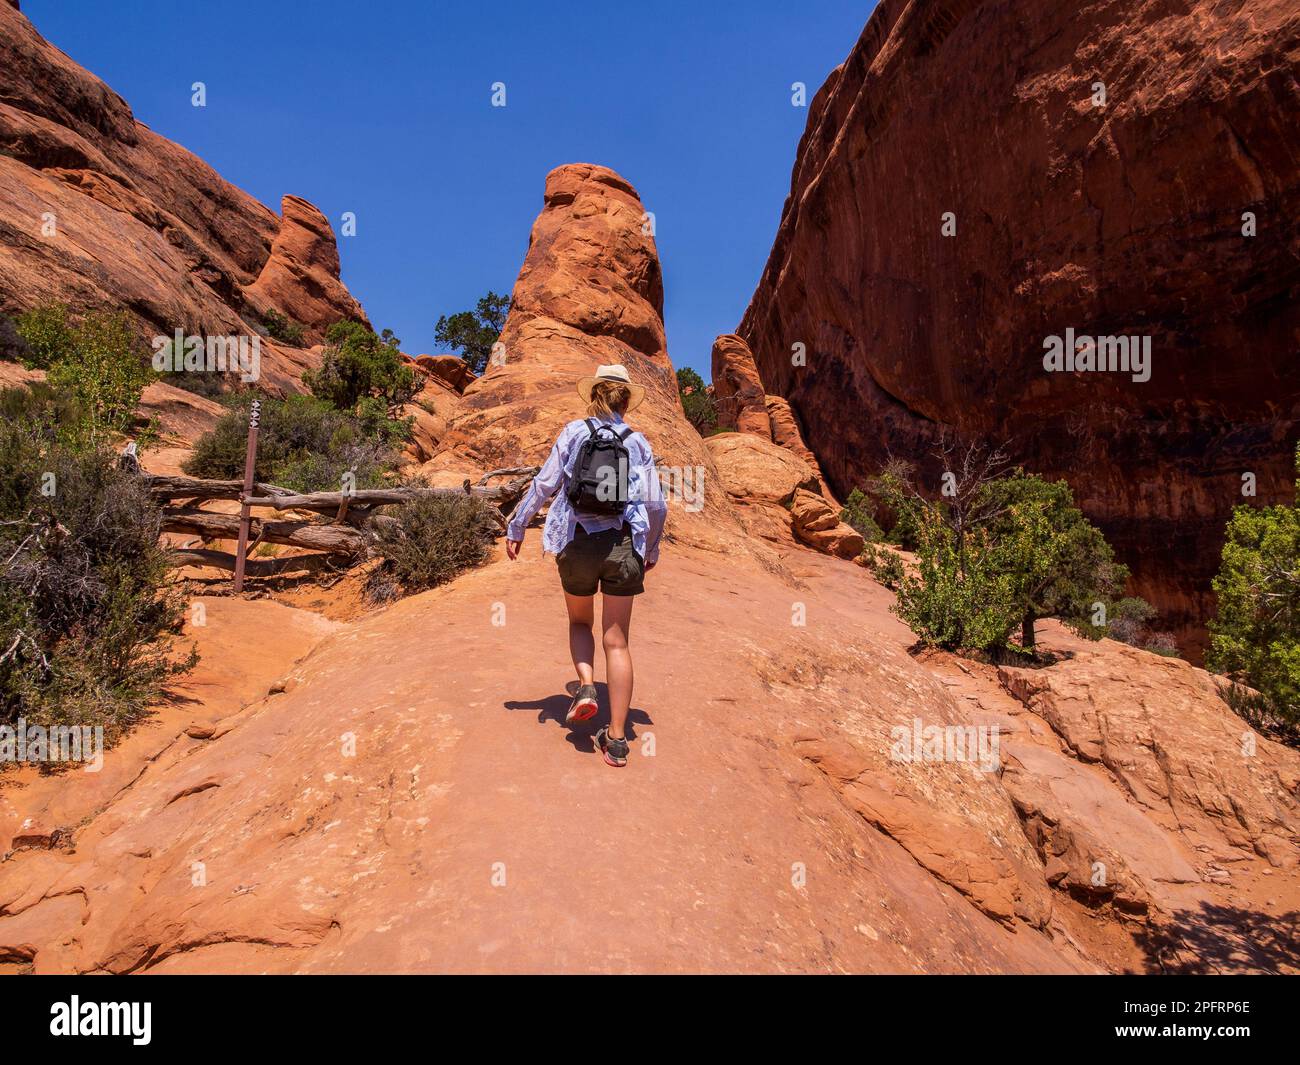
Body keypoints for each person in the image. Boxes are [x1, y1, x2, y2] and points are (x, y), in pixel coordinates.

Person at [505, 364, 666, 767]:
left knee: (580, 623)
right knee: (618, 642)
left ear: (593, 395)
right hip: (622, 544)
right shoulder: (639, 442)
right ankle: (616, 742)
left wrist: (518, 525)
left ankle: (587, 686)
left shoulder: (575, 432)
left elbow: (545, 484)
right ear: (625, 400)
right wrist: (650, 549)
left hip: (576, 542)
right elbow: (655, 505)